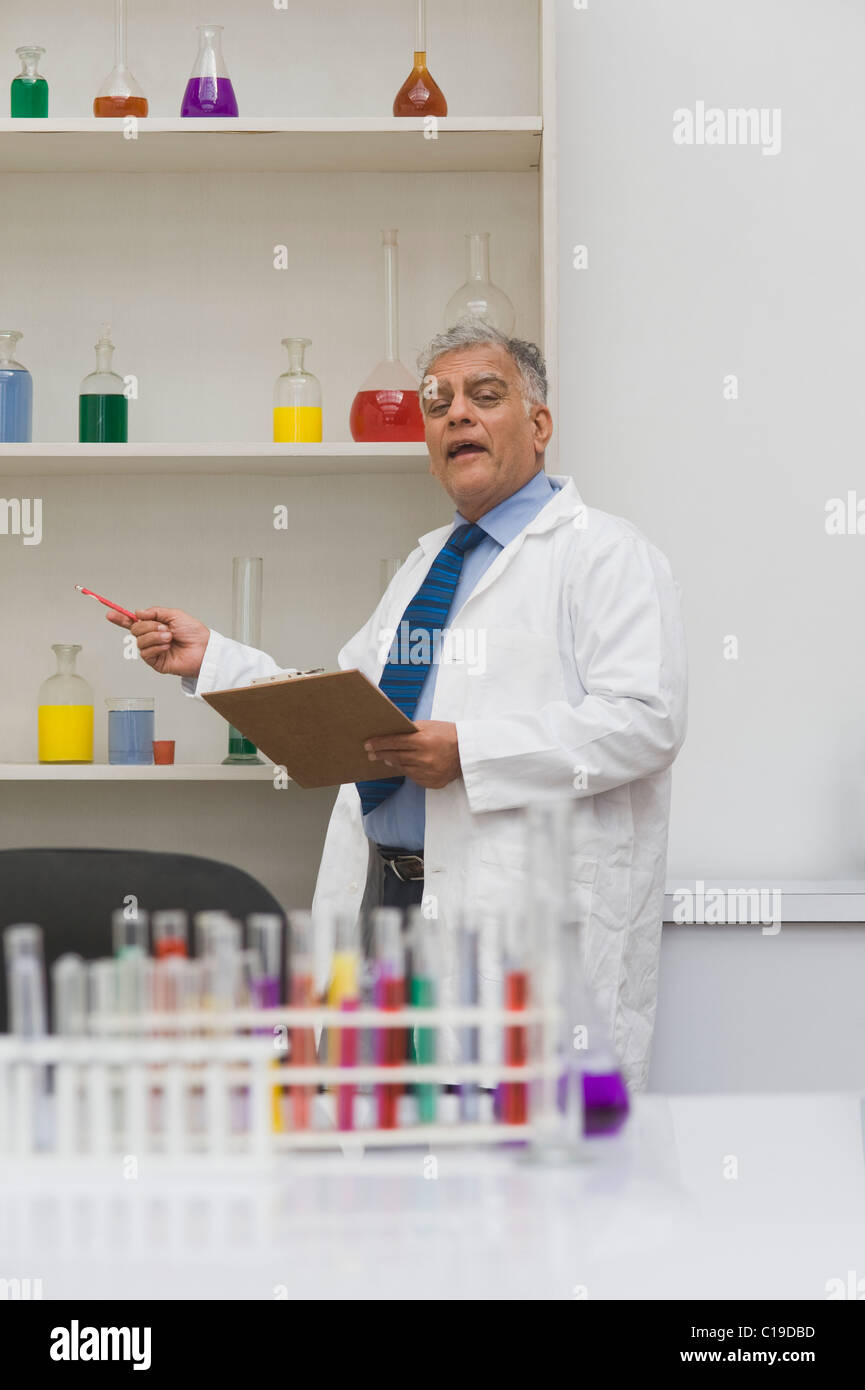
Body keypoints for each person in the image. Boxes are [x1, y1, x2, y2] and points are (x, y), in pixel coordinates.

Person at [108, 320, 688, 1089]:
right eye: (437, 403)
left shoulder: (604, 554)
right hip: (391, 902)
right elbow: (339, 710)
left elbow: (645, 721)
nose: (456, 415)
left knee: (521, 1167)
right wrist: (213, 660)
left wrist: (469, 754)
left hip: (519, 921)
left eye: (484, 396)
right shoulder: (425, 568)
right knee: (391, 1151)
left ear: (539, 425)